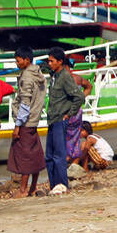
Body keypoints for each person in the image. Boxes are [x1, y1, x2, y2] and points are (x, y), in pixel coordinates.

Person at [44, 48, 86, 194]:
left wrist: (69, 113)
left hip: (60, 120)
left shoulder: (65, 77)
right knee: (49, 156)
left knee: (59, 155)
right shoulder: (54, 76)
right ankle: (53, 185)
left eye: (51, 61)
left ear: (60, 62)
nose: (49, 63)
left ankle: (62, 184)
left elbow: (79, 97)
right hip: (52, 119)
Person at [9, 47, 47, 197]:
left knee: (24, 157)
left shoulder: (26, 77)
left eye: (18, 61)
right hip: (34, 121)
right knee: (35, 156)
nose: (17, 63)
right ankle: (32, 187)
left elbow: (25, 104)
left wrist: (17, 126)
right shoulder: (38, 74)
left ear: (26, 59)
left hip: (26, 123)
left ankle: (23, 189)